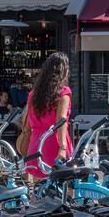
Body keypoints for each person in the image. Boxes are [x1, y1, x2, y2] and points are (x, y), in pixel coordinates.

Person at [23, 52, 72, 181]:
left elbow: (26, 123)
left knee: (38, 191)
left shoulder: (33, 94)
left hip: (36, 143)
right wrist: (63, 148)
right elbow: (61, 121)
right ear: (64, 71)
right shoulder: (63, 93)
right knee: (67, 188)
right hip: (54, 141)